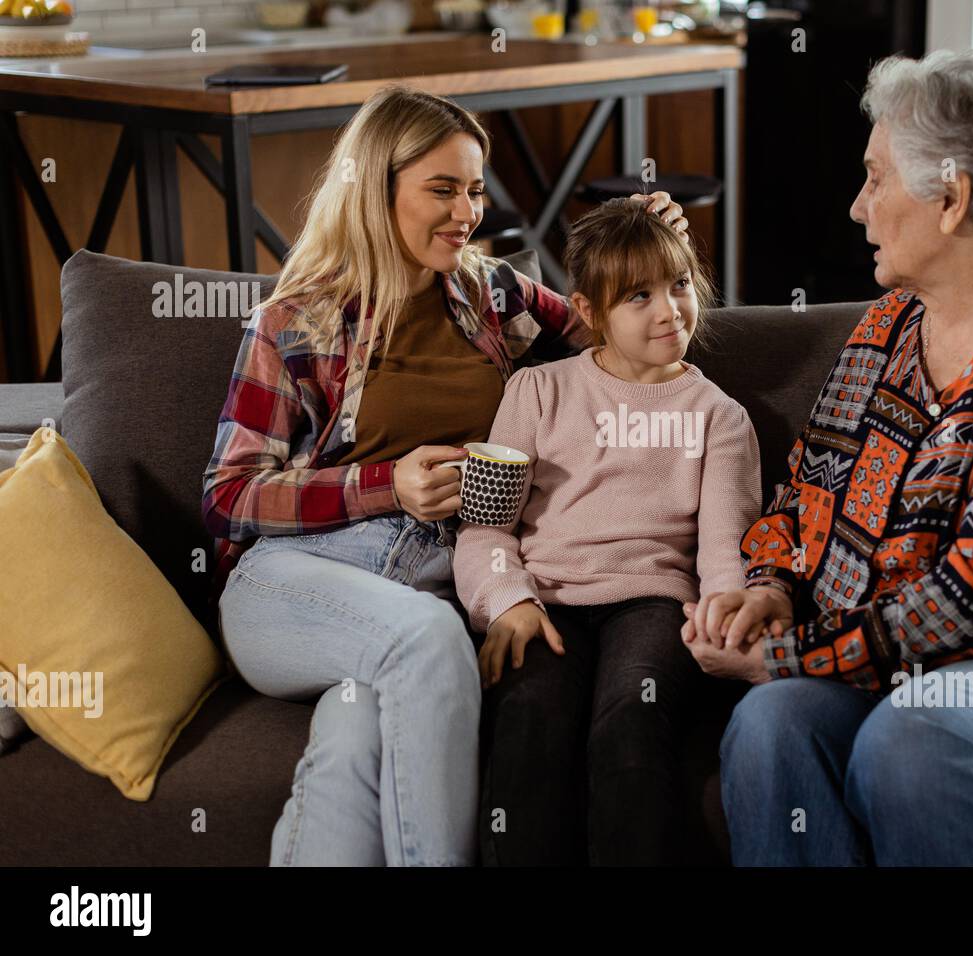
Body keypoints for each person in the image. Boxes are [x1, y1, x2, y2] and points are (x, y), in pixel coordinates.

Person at [201, 84, 690, 866]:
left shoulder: (488, 292)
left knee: (353, 738)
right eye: (441, 189)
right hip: (297, 582)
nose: (466, 212)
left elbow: (618, 331)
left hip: (429, 578)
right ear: (374, 187)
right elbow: (228, 497)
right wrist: (385, 485)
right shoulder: (296, 319)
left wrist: (652, 251)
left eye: (472, 189)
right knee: (431, 644)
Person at [683, 49, 973, 866]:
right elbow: (805, 494)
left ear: (951, 197)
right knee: (767, 724)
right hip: (873, 657)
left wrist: (787, 656)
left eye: (876, 179)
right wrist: (773, 588)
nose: (859, 208)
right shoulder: (886, 326)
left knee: (911, 742)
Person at [453, 198, 762, 865]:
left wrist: (725, 612)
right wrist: (508, 601)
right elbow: (484, 529)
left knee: (631, 714)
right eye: (638, 296)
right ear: (588, 310)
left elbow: (723, 552)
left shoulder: (721, 417)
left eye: (678, 285)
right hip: (544, 599)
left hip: (652, 603)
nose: (668, 310)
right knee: (532, 715)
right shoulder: (535, 392)